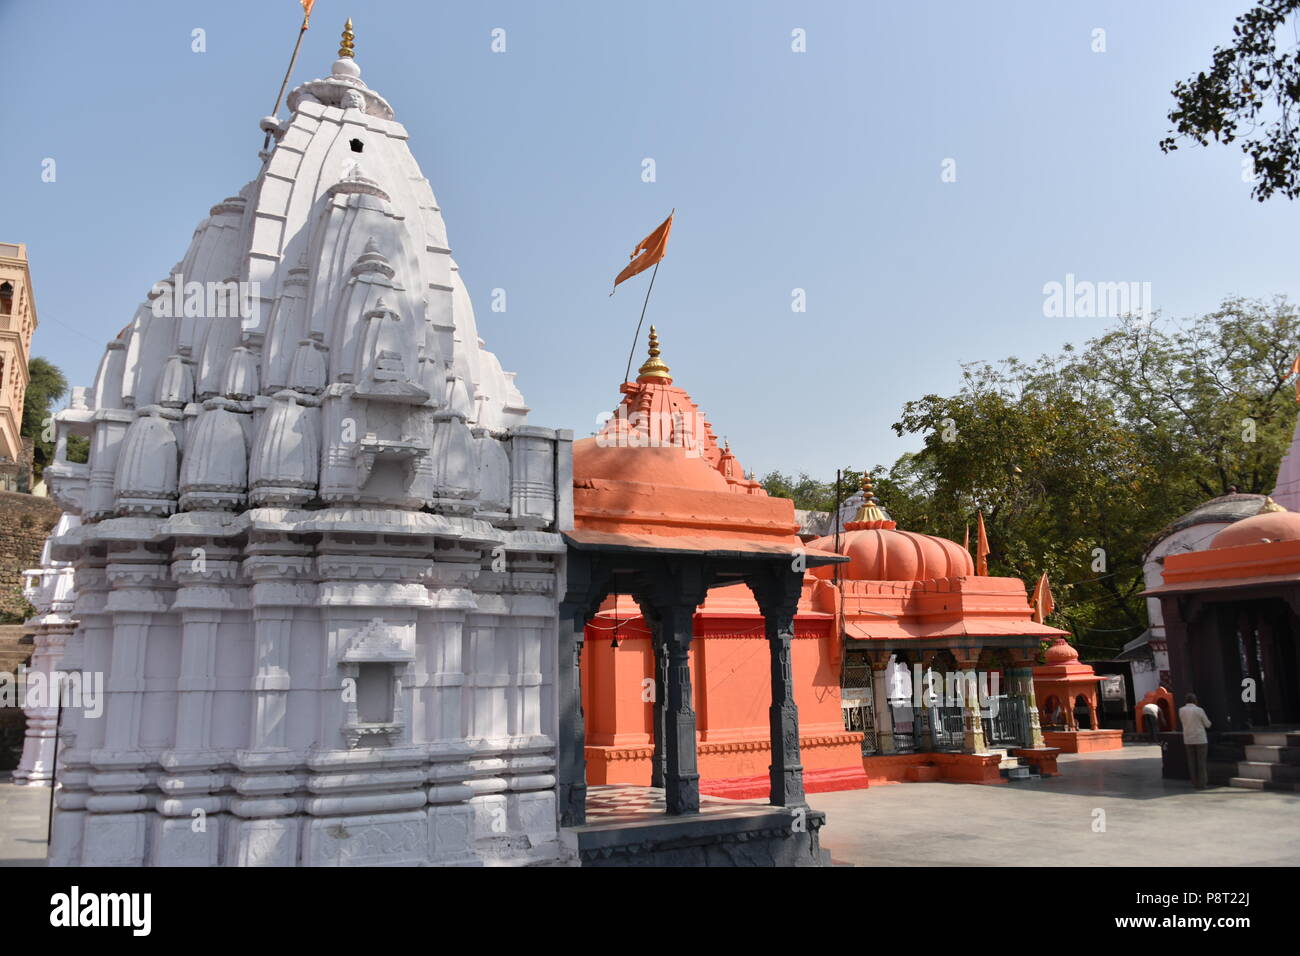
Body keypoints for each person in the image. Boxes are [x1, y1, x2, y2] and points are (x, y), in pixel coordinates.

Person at [1179, 693, 1213, 789]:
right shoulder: (1199, 710)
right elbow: (1207, 724)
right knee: (1201, 762)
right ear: (1195, 700)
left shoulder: (1181, 710)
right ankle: (1202, 783)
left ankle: (1194, 782)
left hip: (1188, 739)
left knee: (1191, 761)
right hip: (1200, 738)